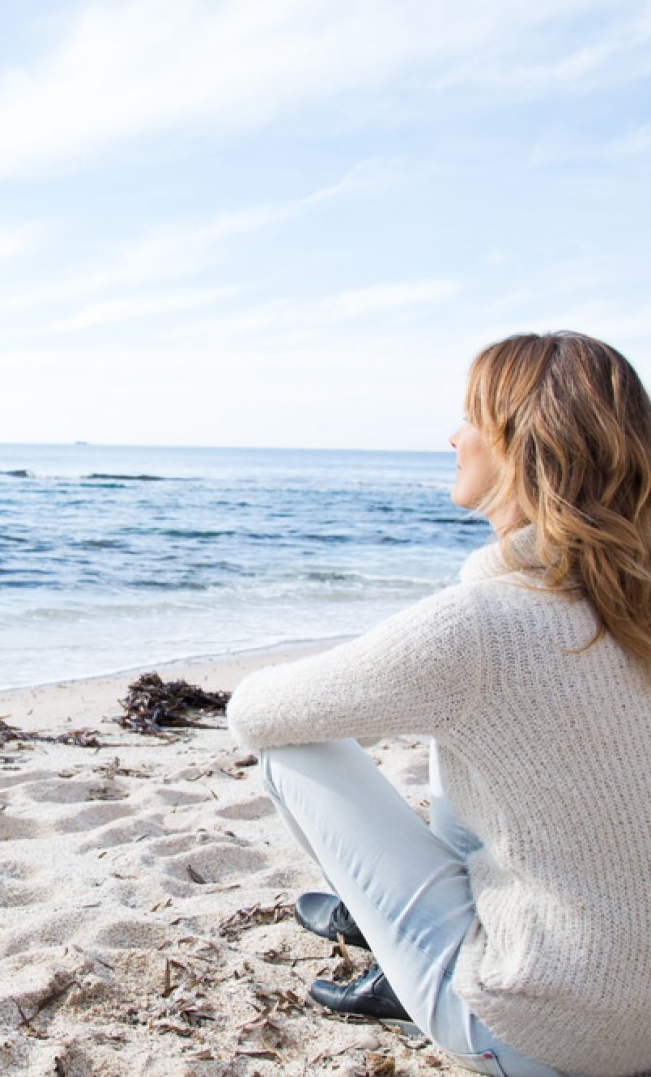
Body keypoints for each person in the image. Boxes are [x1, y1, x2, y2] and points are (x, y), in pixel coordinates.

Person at [226, 331, 651, 1077]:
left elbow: (254, 713)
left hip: (538, 1038)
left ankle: (404, 955)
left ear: (520, 444)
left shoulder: (480, 624)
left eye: (469, 418)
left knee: (300, 745)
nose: (452, 436)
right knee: (473, 720)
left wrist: (395, 663)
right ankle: (396, 930)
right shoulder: (632, 606)